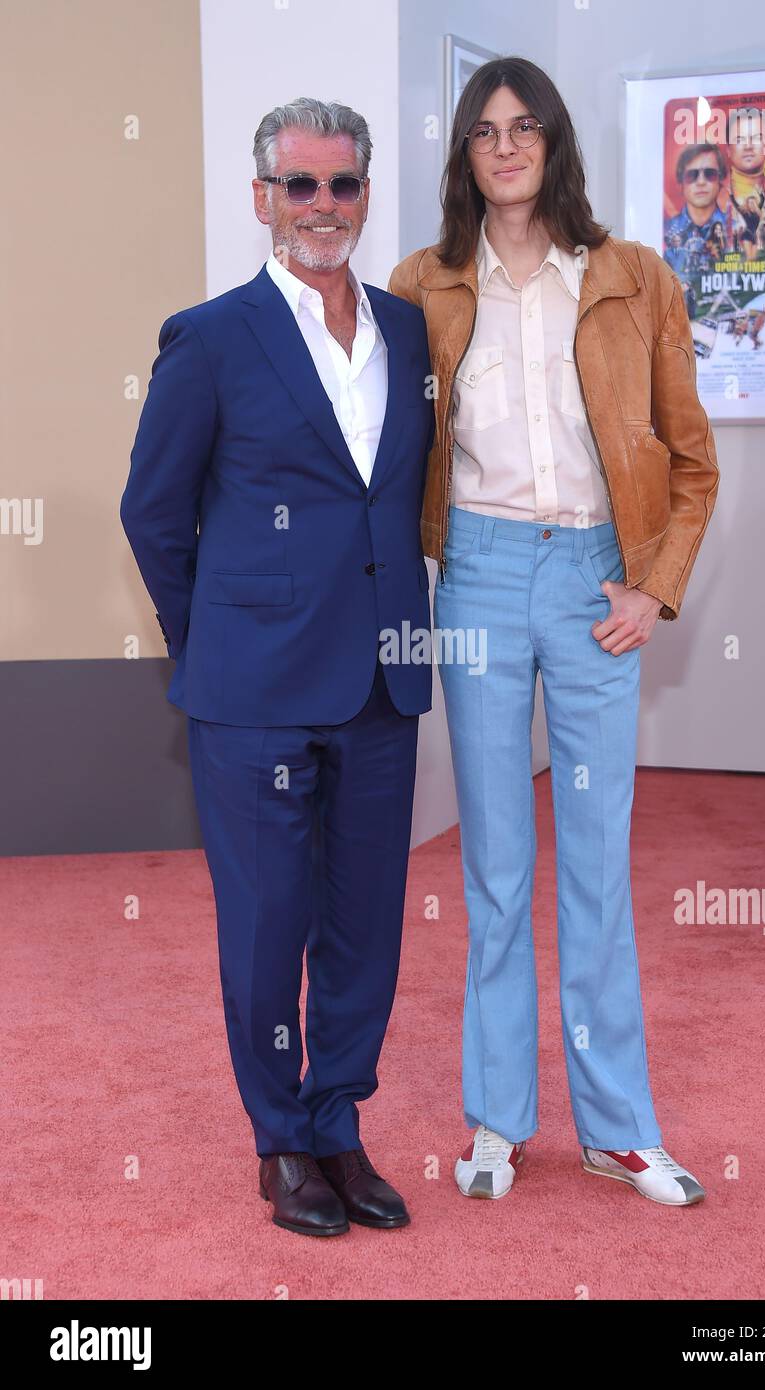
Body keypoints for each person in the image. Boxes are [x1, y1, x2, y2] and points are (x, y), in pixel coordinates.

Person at [388, 57, 719, 1206]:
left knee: (596, 864)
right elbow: (384, 460)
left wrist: (652, 587)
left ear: (556, 142)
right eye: (486, 130)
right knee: (494, 868)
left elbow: (690, 457)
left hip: (592, 583)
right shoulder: (421, 283)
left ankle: (618, 1126)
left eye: (526, 126)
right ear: (466, 156)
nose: (508, 145)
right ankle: (495, 1123)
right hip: (475, 579)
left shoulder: (632, 276)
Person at [120, 98, 435, 1239]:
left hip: (381, 683)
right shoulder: (209, 337)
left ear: (362, 196)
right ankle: (281, 1141)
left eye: (342, 185)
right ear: (262, 198)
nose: (322, 208)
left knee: (366, 922)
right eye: (299, 186)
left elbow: (393, 499)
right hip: (252, 694)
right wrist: (209, 645)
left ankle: (339, 1122)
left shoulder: (407, 330)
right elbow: (152, 511)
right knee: (265, 926)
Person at [665, 143, 728, 264]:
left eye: (709, 174)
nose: (701, 182)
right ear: (681, 183)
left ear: (720, 180)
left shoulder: (736, 231)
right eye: (692, 175)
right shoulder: (665, 231)